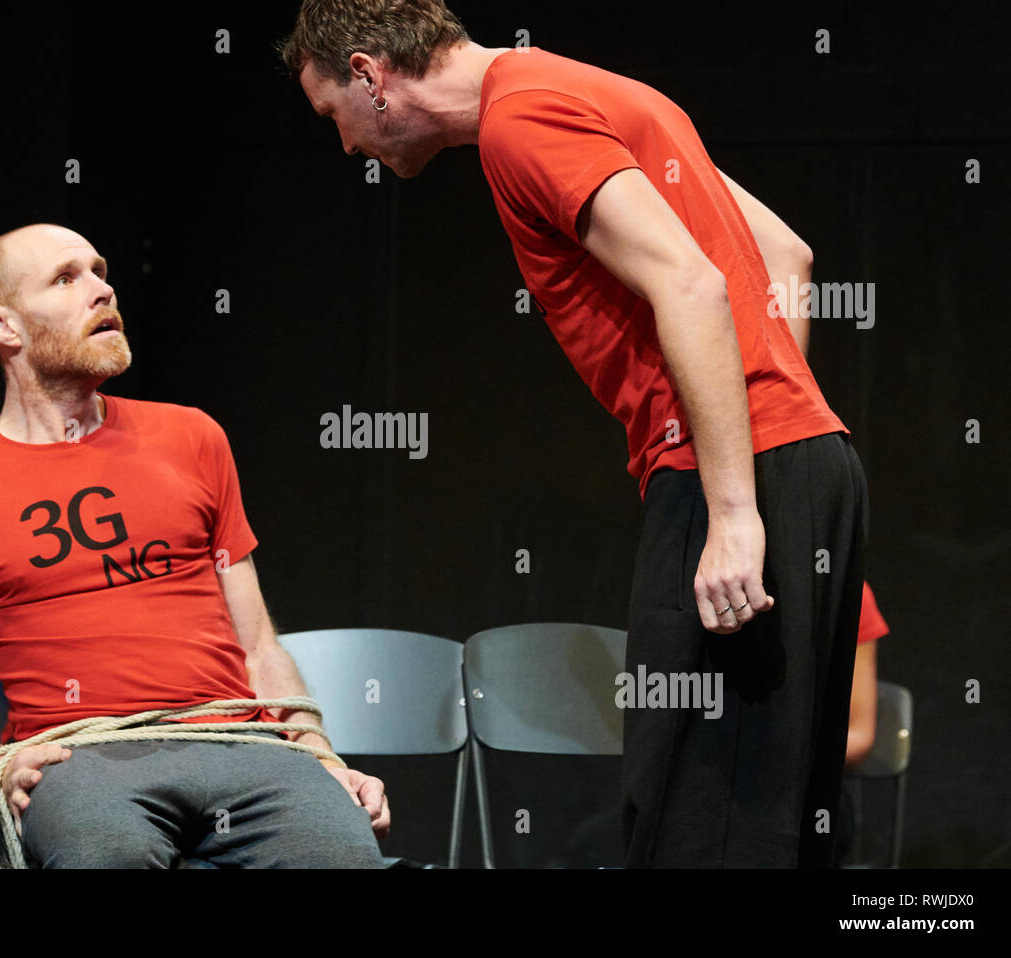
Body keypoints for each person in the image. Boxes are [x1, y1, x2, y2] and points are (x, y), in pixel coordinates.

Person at [281, 0, 868, 867]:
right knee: (777, 819)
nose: (346, 148)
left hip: (731, 473)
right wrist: (781, 439)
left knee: (696, 826)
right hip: (806, 459)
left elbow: (694, 287)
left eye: (333, 117)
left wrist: (738, 508)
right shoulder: (589, 88)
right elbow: (788, 255)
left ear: (369, 75)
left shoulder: (521, 121)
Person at [0, 223, 389, 868]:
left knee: (345, 857)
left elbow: (257, 644)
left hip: (244, 747)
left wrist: (321, 754)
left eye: (100, 271)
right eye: (67, 279)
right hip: (82, 756)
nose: (103, 290)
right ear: (3, 325)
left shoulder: (191, 436)